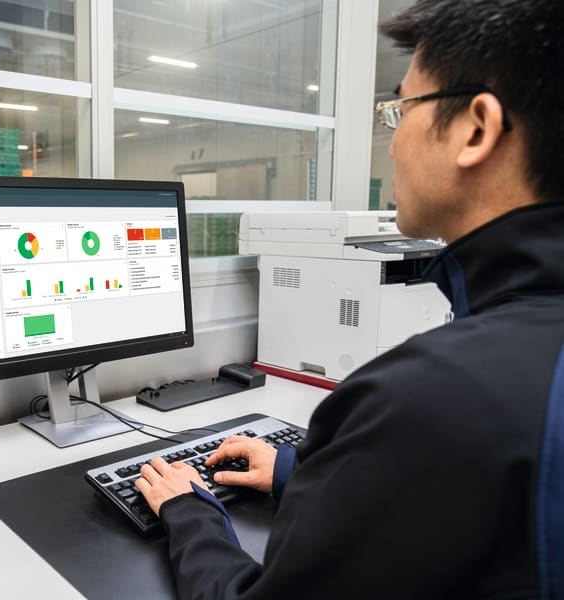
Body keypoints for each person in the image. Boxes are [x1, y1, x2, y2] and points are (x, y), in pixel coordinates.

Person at [134, 1, 564, 598]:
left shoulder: (426, 400)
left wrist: (190, 511)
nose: (391, 144)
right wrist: (293, 470)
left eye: (402, 109)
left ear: (475, 128)